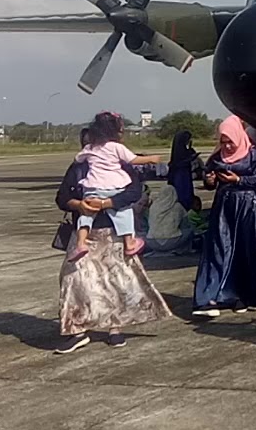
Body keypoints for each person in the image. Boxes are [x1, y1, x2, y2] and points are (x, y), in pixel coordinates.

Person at [54, 129, 170, 353]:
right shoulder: (78, 167)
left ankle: (115, 327)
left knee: (116, 280)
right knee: (73, 279)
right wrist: (79, 205)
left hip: (114, 233)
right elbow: (62, 197)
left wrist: (106, 203)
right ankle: (76, 329)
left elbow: (134, 191)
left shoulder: (119, 164)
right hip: (85, 234)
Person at [192, 116, 256, 316]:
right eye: (223, 142)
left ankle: (242, 296)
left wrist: (238, 179)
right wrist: (210, 180)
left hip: (247, 205)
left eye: (230, 142)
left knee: (244, 250)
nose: (227, 146)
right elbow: (209, 182)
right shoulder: (217, 157)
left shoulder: (255, 155)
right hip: (224, 207)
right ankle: (210, 296)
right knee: (218, 249)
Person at [71, 112, 159, 262]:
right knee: (124, 212)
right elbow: (133, 159)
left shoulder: (90, 148)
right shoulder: (116, 147)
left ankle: (80, 243)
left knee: (86, 215)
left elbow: (77, 159)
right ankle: (129, 243)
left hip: (93, 187)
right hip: (113, 185)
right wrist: (151, 158)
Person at [166, 130, 200, 214]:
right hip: (180, 176)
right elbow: (179, 163)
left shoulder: (183, 149)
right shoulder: (179, 150)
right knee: (182, 195)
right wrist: (190, 158)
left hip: (184, 175)